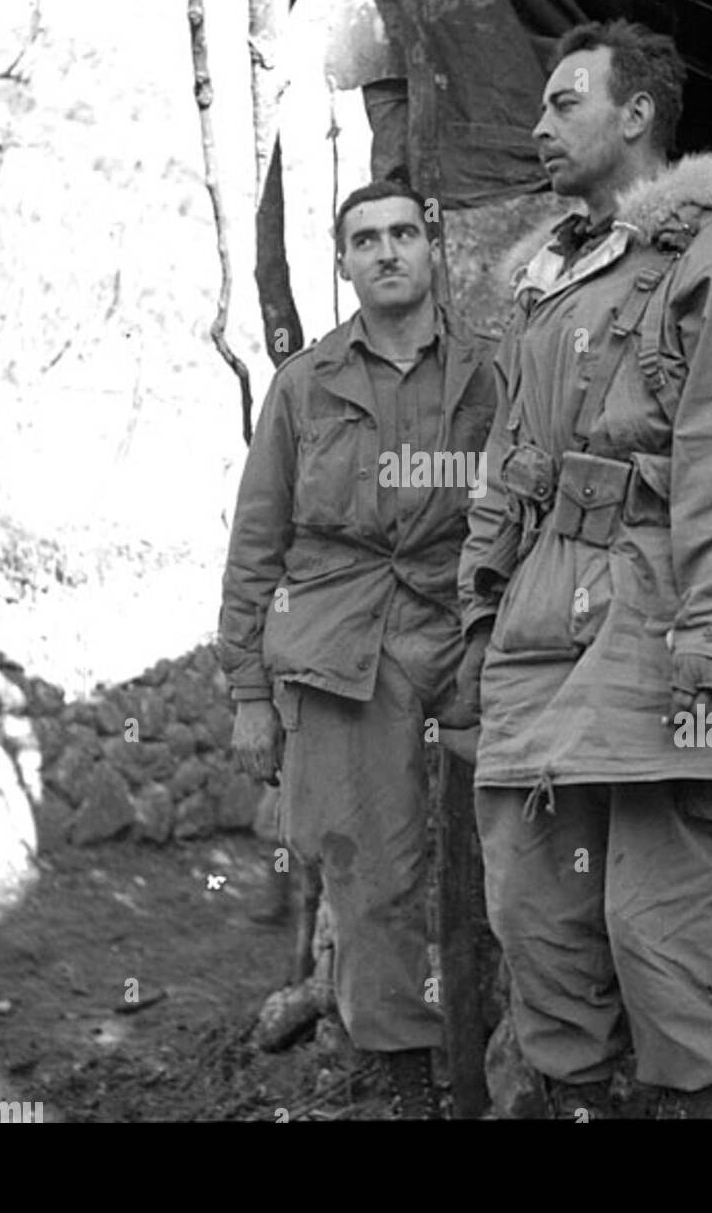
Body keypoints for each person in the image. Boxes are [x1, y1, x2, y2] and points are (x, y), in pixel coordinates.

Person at [457, 19, 712, 1118]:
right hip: (546, 614)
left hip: (665, 609)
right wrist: (482, 600)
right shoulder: (552, 284)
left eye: (564, 102)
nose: (538, 127)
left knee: (660, 923)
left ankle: (699, 1101)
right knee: (535, 911)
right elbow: (511, 458)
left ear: (637, 114)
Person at [218, 181, 495, 1118]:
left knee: (510, 864)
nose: (387, 251)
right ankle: (402, 1082)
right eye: (365, 238)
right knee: (371, 872)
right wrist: (250, 692)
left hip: (463, 635)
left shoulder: (491, 376)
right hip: (341, 645)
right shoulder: (306, 386)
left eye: (405, 233)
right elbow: (256, 543)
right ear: (342, 262)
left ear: (433, 248)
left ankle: (510, 1069)